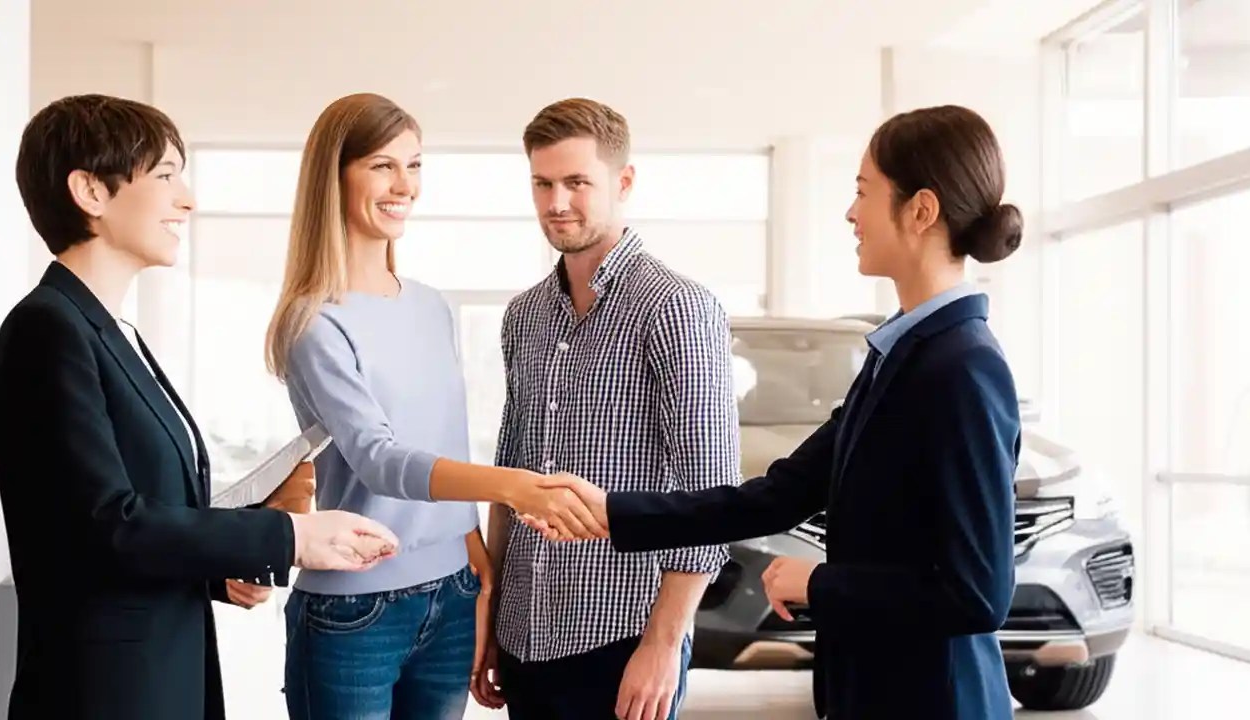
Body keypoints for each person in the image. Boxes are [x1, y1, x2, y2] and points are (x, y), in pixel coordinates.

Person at [543, 105, 1024, 720]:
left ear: (921, 210)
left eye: (863, 192)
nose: (851, 213)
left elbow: (978, 594)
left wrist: (816, 583)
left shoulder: (962, 367)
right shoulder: (897, 354)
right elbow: (777, 496)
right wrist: (605, 510)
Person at [0, 94, 400, 720]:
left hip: (156, 676)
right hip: (102, 692)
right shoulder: (48, 330)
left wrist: (221, 568)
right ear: (90, 191)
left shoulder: (110, 330)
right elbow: (105, 525)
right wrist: (288, 537)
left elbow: (139, 515)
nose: (188, 199)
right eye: (165, 175)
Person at [265, 93, 604, 720]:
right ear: (333, 175)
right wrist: (518, 488)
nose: (404, 186)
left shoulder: (429, 305)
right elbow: (380, 460)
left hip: (451, 596)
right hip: (354, 611)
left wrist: (471, 545)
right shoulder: (313, 321)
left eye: (414, 165)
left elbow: (443, 440)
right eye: (381, 166)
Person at [480, 98, 741, 720]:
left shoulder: (677, 307)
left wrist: (664, 643)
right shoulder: (524, 315)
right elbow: (510, 472)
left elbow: (712, 492)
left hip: (622, 639)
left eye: (577, 182)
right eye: (542, 183)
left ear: (622, 183)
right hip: (524, 632)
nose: (556, 202)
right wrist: (491, 619)